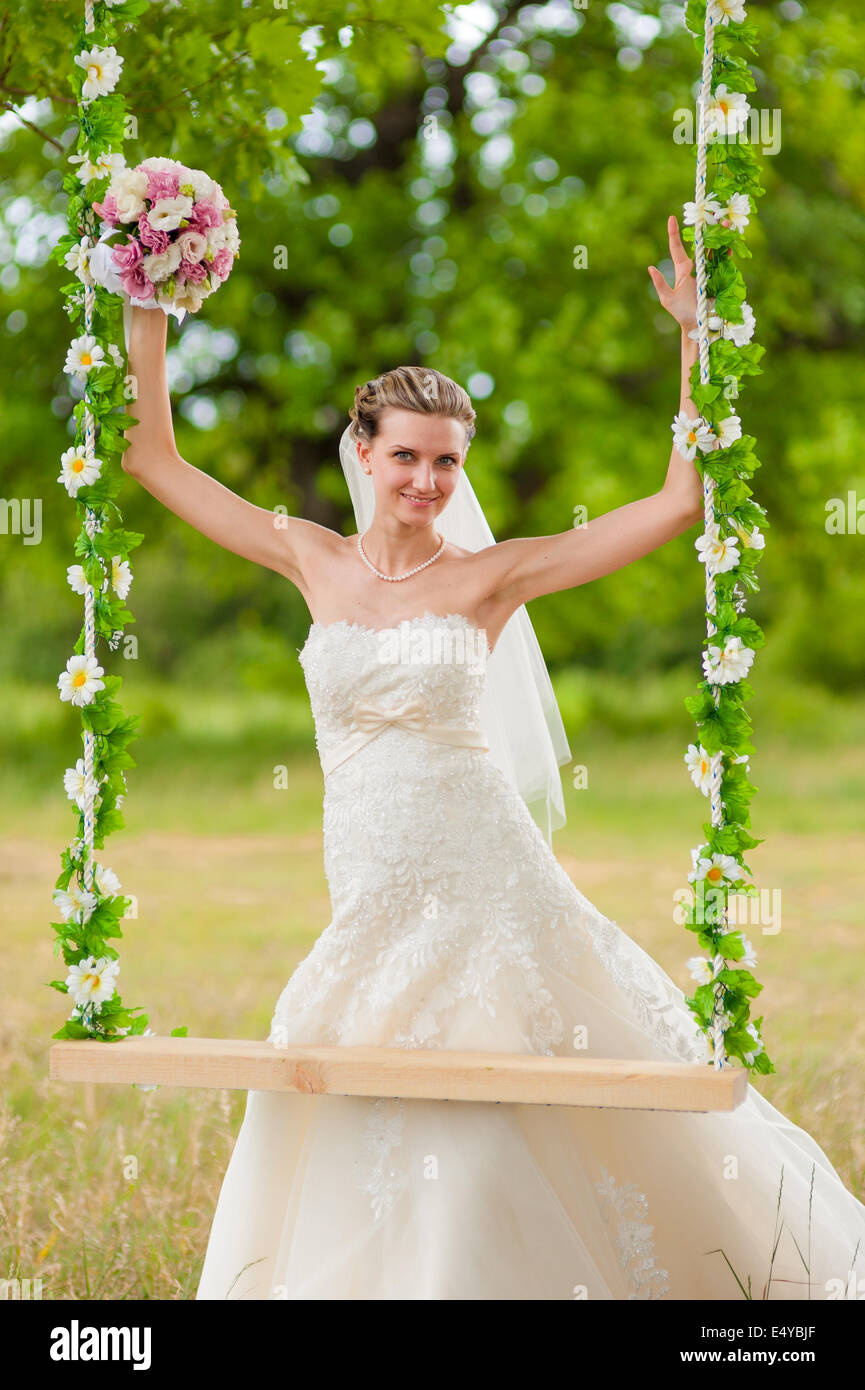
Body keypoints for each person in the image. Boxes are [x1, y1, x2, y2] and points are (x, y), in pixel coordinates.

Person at [122, 218, 865, 1299]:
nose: (425, 480)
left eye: (446, 461)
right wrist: (150, 292)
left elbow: (676, 504)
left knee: (494, 1083)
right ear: (364, 450)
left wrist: (696, 346)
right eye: (407, 456)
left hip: (483, 870)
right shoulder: (309, 557)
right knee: (356, 1069)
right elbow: (150, 455)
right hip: (367, 880)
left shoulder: (492, 576)